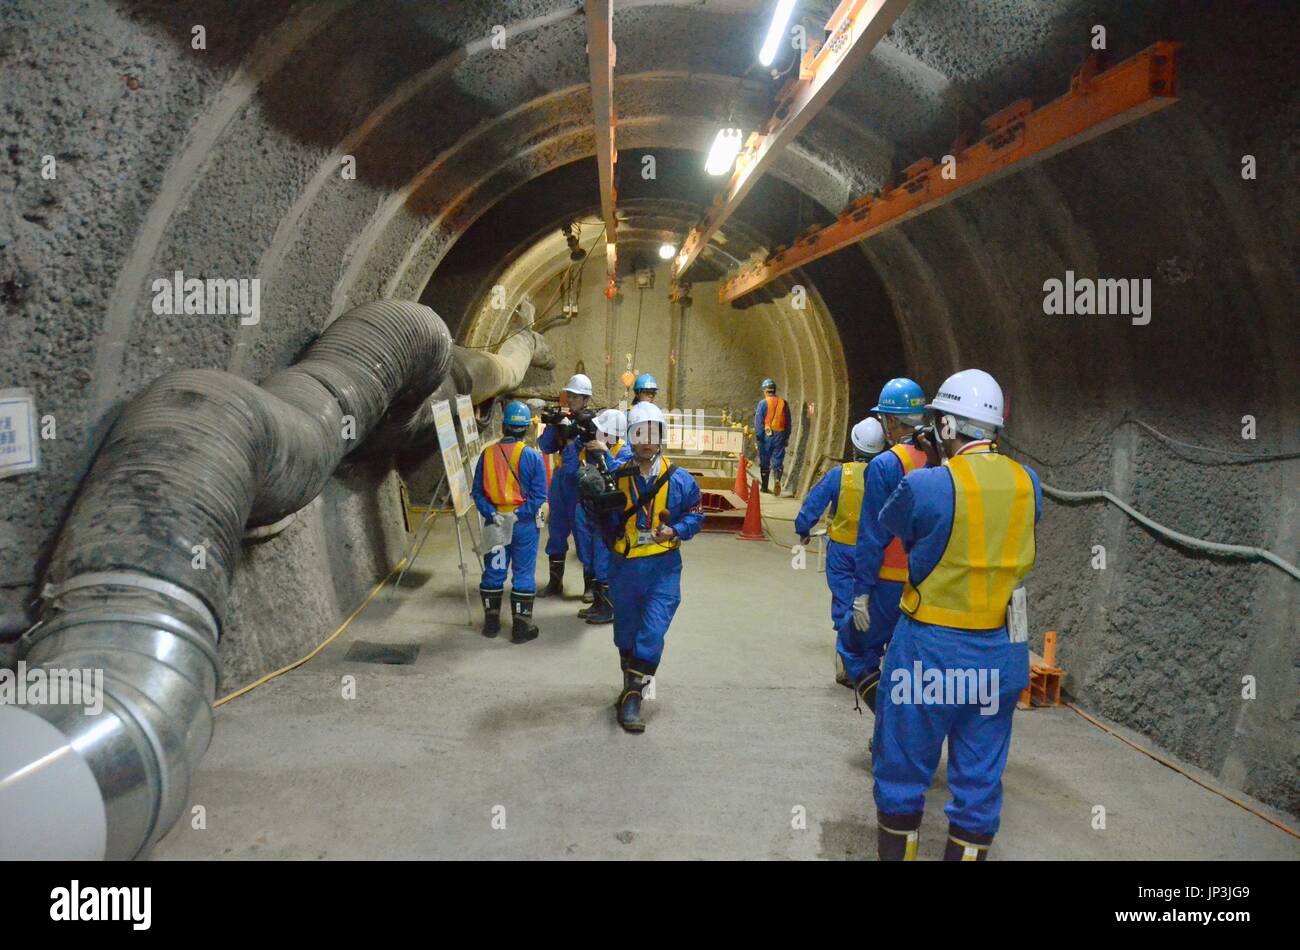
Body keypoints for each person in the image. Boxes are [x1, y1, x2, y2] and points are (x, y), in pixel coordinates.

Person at [871, 369, 1040, 862]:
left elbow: (893, 525)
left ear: (946, 427)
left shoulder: (927, 484)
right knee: (979, 781)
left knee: (902, 774)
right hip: (1002, 653)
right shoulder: (1027, 481)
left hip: (930, 651)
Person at [596, 402, 702, 733]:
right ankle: (631, 686)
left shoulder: (680, 479)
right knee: (625, 633)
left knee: (653, 632)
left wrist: (677, 529)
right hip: (625, 565)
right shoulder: (615, 476)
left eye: (653, 434)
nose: (646, 441)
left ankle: (632, 699)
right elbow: (598, 518)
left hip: (663, 567)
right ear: (631, 436)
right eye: (640, 434)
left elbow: (697, 513)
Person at [846, 378, 930, 712]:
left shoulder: (885, 465)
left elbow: (872, 534)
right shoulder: (942, 460)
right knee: (907, 658)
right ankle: (908, 722)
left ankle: (892, 723)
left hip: (886, 581)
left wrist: (861, 591)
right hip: (927, 582)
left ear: (891, 422)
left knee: (854, 650)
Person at [795, 417, 887, 688]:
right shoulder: (889, 475)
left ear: (854, 444)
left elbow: (814, 504)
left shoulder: (840, 475)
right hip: (876, 553)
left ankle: (847, 663)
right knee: (870, 604)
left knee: (845, 603)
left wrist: (803, 528)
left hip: (842, 553)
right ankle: (869, 663)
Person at [472, 400, 548, 643]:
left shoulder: (487, 454)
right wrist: (518, 515)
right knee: (524, 573)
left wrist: (492, 513)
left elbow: (477, 492)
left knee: (494, 571)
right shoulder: (532, 457)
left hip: (495, 524)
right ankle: (520, 628)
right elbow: (538, 496)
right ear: (526, 428)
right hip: (522, 525)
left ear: (504, 426)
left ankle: (491, 625)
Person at [537, 373, 594, 597]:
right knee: (557, 533)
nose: (570, 400)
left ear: (586, 399)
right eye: (569, 395)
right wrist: (555, 427)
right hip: (560, 485)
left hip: (581, 485)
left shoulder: (592, 425)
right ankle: (555, 582)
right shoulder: (565, 419)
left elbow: (580, 461)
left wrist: (573, 437)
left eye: (575, 396)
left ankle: (591, 585)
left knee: (584, 535)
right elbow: (546, 446)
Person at [576, 408, 629, 624]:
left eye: (600, 430)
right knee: (592, 558)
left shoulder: (623, 452)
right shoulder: (593, 450)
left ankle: (608, 609)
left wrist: (605, 452)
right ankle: (598, 603)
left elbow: (621, 475)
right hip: (597, 512)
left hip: (613, 516)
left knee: (604, 560)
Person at [754, 378, 792, 495]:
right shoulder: (783, 403)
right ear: (774, 390)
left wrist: (759, 437)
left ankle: (765, 487)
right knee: (778, 460)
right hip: (780, 434)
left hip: (766, 435)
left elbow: (758, 422)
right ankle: (777, 479)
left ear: (765, 390)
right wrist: (785, 438)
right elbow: (788, 423)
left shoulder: (763, 403)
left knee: (765, 461)